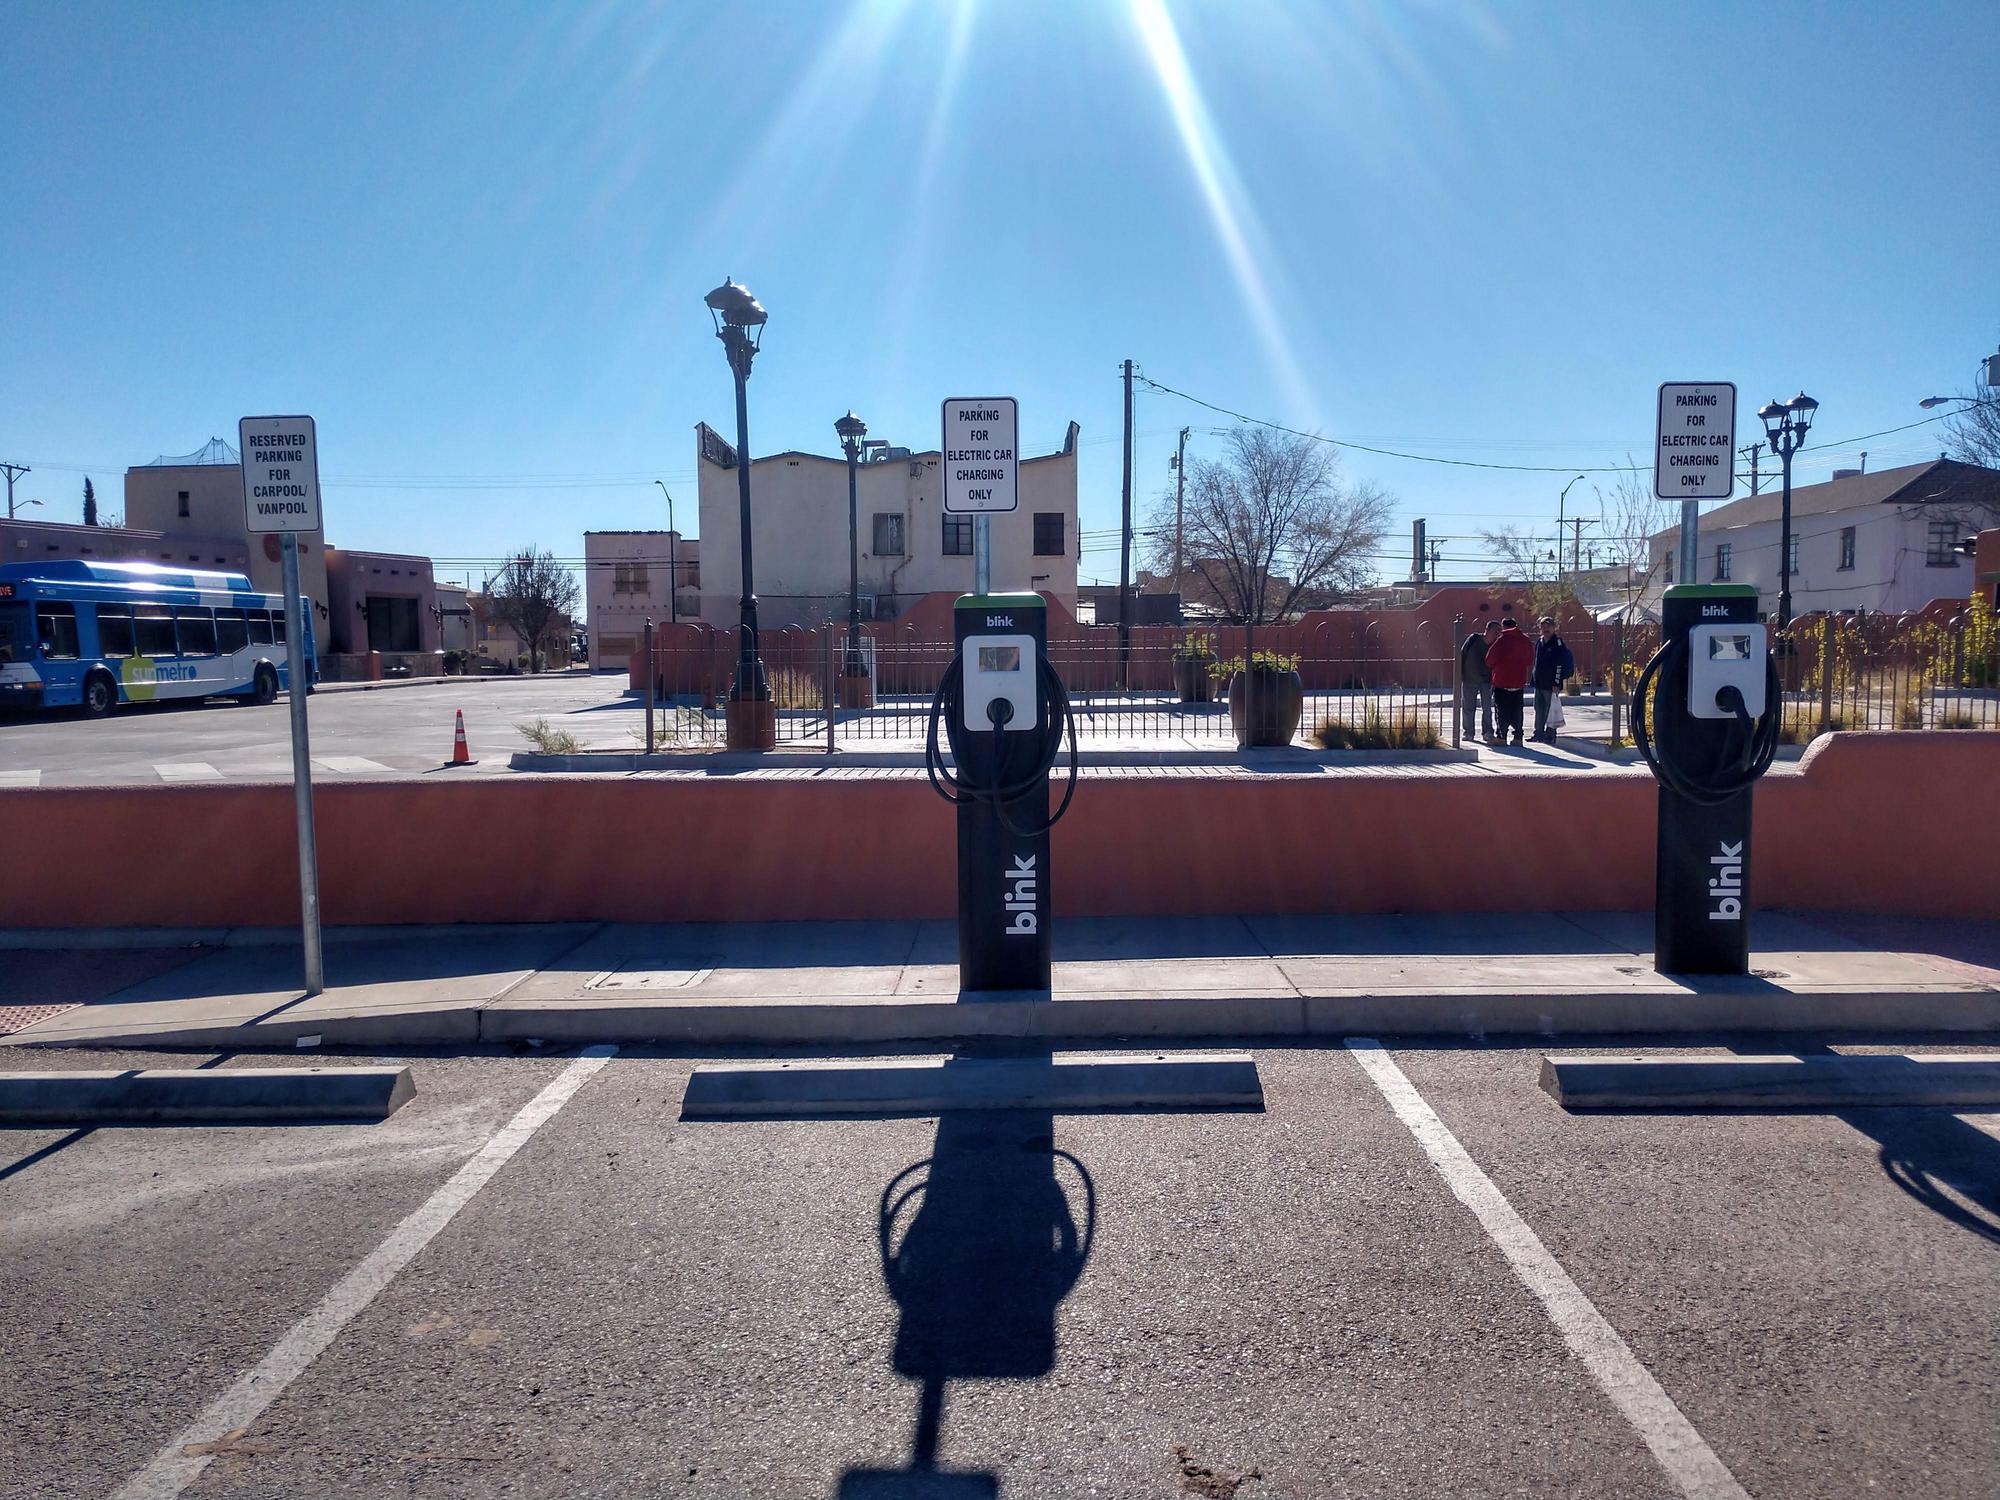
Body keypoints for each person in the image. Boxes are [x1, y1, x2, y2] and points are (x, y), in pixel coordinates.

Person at [1485, 616, 1535, 746]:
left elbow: (1489, 660)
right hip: (1518, 682)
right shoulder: (1525, 640)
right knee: (1517, 710)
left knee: (1501, 710)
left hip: (1502, 681)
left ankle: (1501, 737)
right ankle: (1518, 737)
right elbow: (1530, 660)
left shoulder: (1502, 640)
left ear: (1503, 626)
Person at [1532, 615, 1576, 742]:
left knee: (1550, 710)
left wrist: (1556, 683)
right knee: (1538, 709)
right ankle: (1538, 733)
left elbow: (1559, 665)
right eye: (1543, 626)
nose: (1545, 629)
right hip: (1539, 682)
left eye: (1548, 626)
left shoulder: (1558, 644)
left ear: (1554, 628)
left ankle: (1550, 734)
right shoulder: (1540, 642)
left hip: (1551, 684)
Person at [1459, 619, 1497, 742]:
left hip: (1486, 680)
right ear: (1486, 630)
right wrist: (1460, 673)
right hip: (1469, 679)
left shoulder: (1495, 645)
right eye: (1494, 631)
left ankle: (1487, 732)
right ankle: (1468, 732)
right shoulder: (1474, 639)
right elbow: (1462, 654)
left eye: (1498, 632)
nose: (1496, 634)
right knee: (1468, 707)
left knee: (1487, 708)